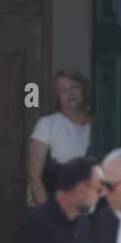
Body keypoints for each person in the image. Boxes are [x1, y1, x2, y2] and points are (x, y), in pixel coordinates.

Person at [26, 69, 94, 205]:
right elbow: (34, 177)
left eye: (75, 86)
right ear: (57, 97)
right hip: (60, 207)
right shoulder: (47, 124)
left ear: (84, 89)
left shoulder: (101, 125)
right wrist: (49, 216)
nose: (70, 93)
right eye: (63, 90)